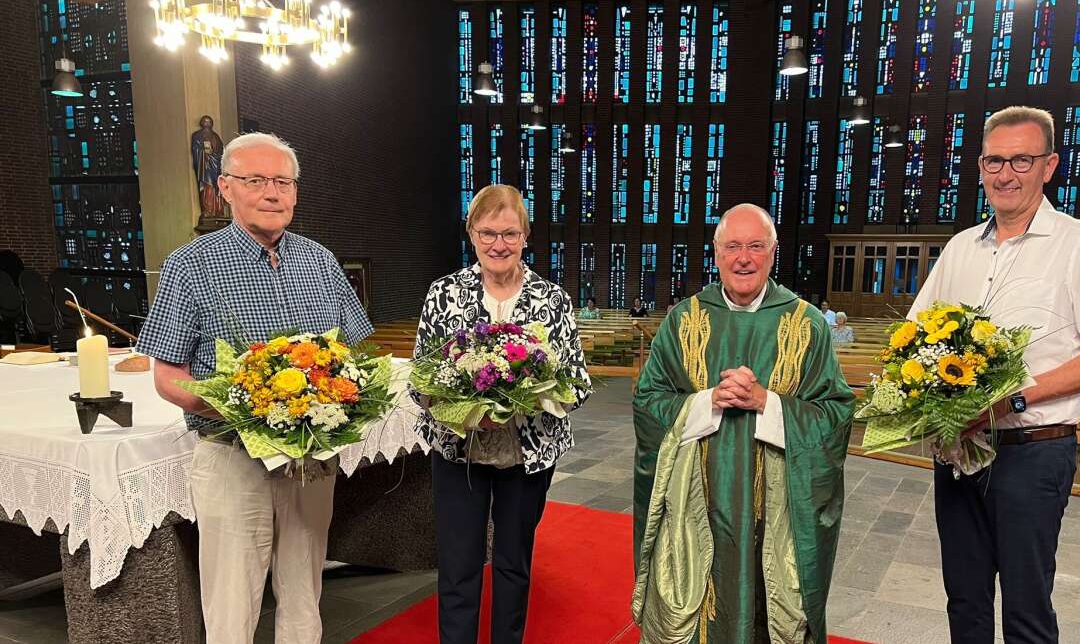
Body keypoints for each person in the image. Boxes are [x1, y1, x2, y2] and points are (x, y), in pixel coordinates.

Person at [137, 133, 372, 644]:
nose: (272, 193)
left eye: (283, 182)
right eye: (255, 180)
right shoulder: (190, 264)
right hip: (231, 457)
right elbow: (167, 376)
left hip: (310, 461)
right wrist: (247, 412)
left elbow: (354, 357)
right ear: (224, 187)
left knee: (304, 593)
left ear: (295, 192)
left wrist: (334, 399)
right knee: (231, 602)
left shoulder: (321, 261)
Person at [909, 106, 1080, 643]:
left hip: (1034, 451)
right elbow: (914, 341)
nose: (1006, 174)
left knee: (1027, 611)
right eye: (994, 161)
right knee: (964, 602)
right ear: (981, 167)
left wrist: (1013, 400)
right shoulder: (961, 247)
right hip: (960, 451)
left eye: (1021, 160)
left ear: (1049, 165)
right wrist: (922, 398)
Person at [632, 203, 854, 642]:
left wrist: (768, 403)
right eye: (732, 247)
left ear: (773, 252)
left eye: (755, 246)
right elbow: (648, 402)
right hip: (698, 503)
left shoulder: (806, 323)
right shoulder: (684, 320)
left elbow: (835, 413)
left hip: (775, 511)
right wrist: (707, 401)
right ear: (716, 254)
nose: (743, 258)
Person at [413, 184, 591, 644]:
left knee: (513, 562)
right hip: (458, 451)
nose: (499, 244)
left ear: (526, 236)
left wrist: (526, 398)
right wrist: (469, 412)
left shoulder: (551, 300)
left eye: (510, 233)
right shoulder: (444, 293)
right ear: (471, 233)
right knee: (458, 563)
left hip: (527, 451)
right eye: (488, 232)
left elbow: (578, 383)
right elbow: (420, 380)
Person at [191, 115, 226, 221]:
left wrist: (214, 154)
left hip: (216, 166)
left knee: (217, 187)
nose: (207, 123)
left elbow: (221, 151)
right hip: (205, 166)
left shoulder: (216, 136)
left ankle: (218, 211)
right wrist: (204, 153)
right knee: (207, 188)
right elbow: (195, 149)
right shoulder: (197, 135)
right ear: (202, 123)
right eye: (205, 121)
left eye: (209, 121)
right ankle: (208, 210)